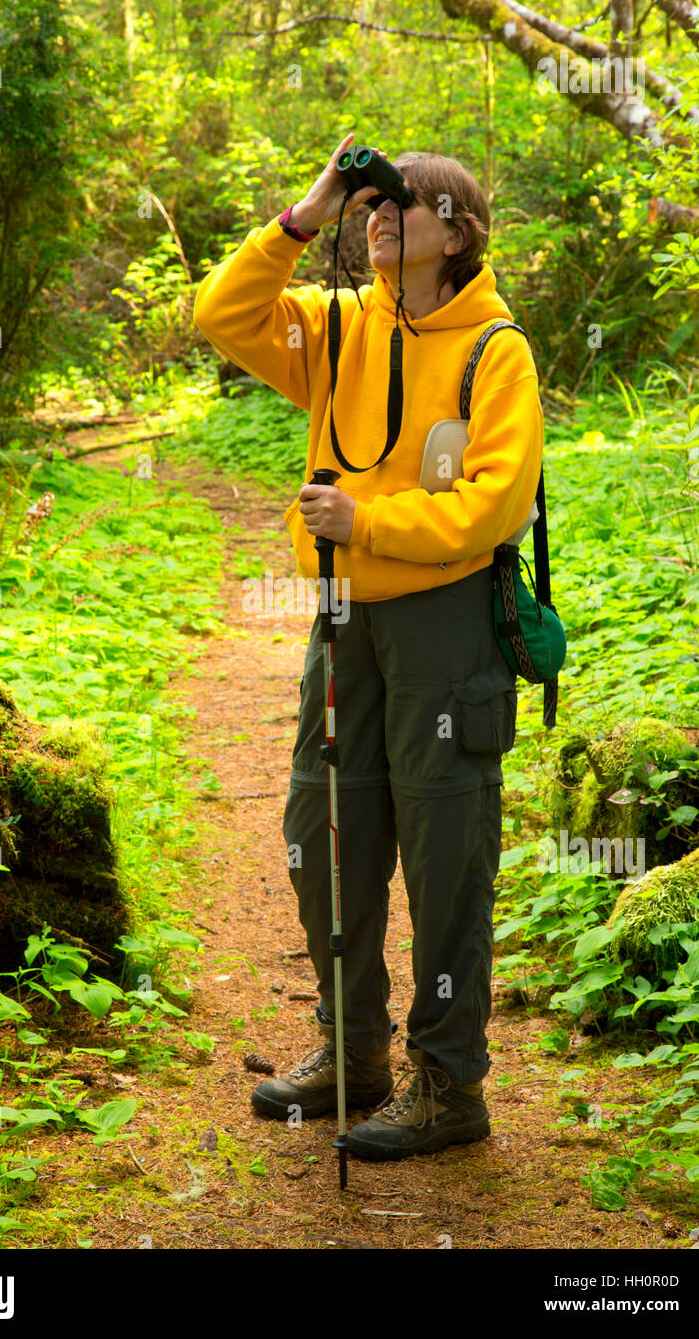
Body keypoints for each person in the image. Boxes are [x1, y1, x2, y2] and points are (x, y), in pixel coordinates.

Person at [192, 133, 543, 1161]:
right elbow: (220, 315)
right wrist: (310, 207)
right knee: (326, 830)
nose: (384, 215)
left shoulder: (494, 348)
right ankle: (351, 1052)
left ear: (457, 231)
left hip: (444, 627)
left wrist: (370, 524)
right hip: (343, 624)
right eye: (375, 204)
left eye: (409, 203)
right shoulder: (338, 327)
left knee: (444, 851)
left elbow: (494, 504)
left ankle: (447, 1082)